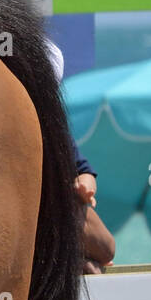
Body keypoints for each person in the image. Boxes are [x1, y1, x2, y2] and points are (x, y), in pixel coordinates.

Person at [45, 37, 116, 273]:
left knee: (104, 250)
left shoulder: (52, 125)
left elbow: (82, 167)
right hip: (40, 217)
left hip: (57, 213)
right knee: (102, 253)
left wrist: (85, 183)